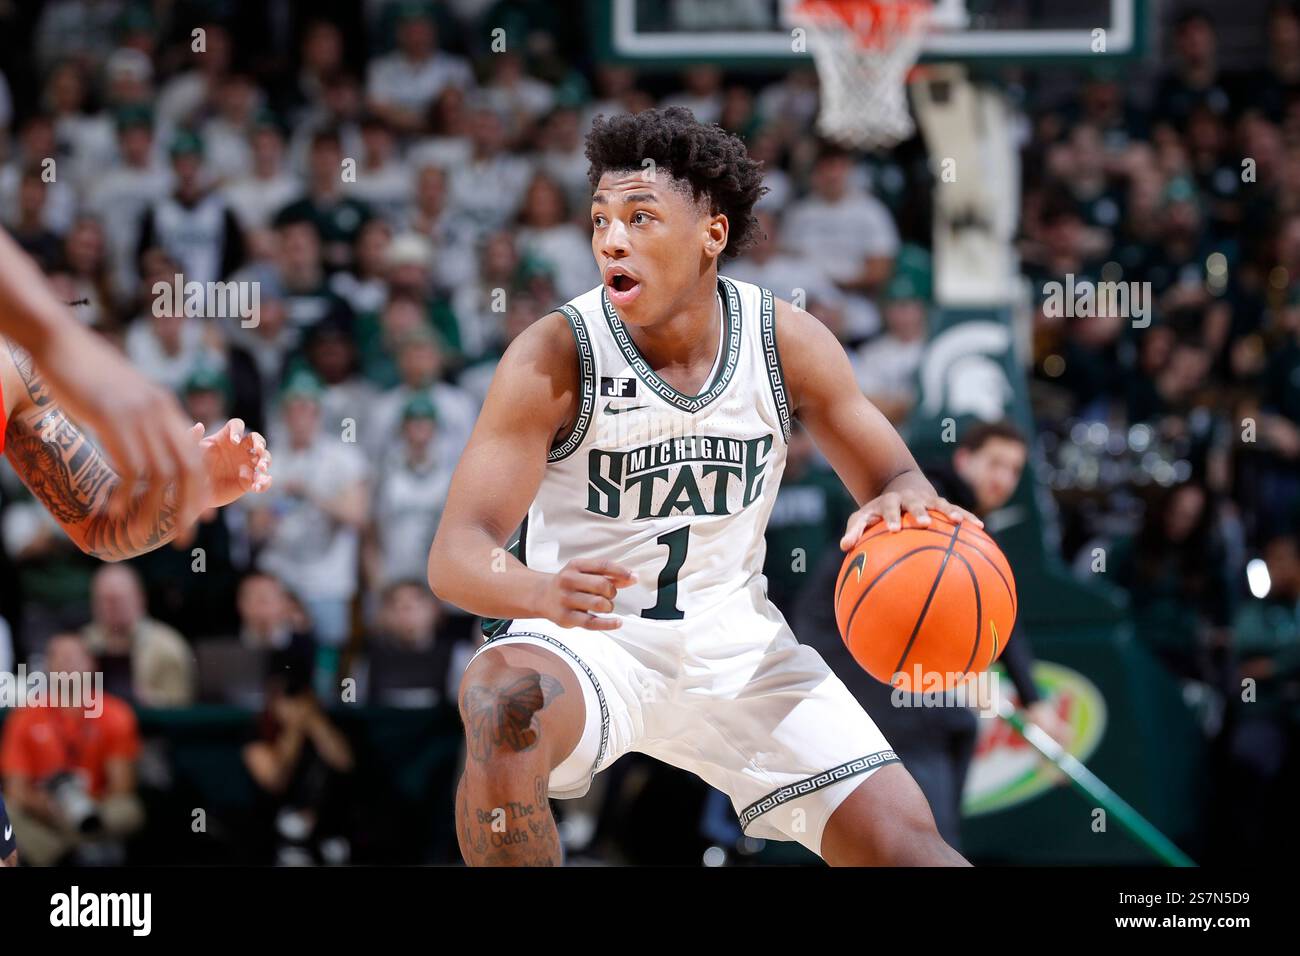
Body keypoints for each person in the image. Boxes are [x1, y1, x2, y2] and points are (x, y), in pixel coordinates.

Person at [428, 107, 979, 867]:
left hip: (737, 648)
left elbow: (894, 474)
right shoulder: (556, 354)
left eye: (640, 217)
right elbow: (456, 554)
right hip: (590, 641)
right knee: (500, 700)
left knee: (905, 847)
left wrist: (900, 497)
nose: (612, 240)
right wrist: (534, 591)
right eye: (600, 220)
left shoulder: (785, 341)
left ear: (711, 235)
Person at [795, 420, 1069, 852]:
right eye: (995, 463)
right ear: (964, 460)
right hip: (844, 652)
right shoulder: (934, 508)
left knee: (955, 725)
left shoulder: (954, 514)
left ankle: (934, 847)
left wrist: (1030, 699)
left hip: (874, 656)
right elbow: (989, 611)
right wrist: (1034, 700)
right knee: (928, 748)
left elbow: (991, 613)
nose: (1003, 479)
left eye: (1014, 470)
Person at [0, 634, 145, 865]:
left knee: (128, 809)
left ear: (91, 664)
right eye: (60, 658)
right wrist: (47, 806)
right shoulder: (23, 718)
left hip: (96, 809)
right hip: (42, 811)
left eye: (74, 658)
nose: (68, 664)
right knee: (6, 809)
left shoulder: (116, 713)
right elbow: (15, 789)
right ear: (47, 666)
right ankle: (66, 854)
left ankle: (72, 845)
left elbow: (121, 786)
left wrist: (85, 805)